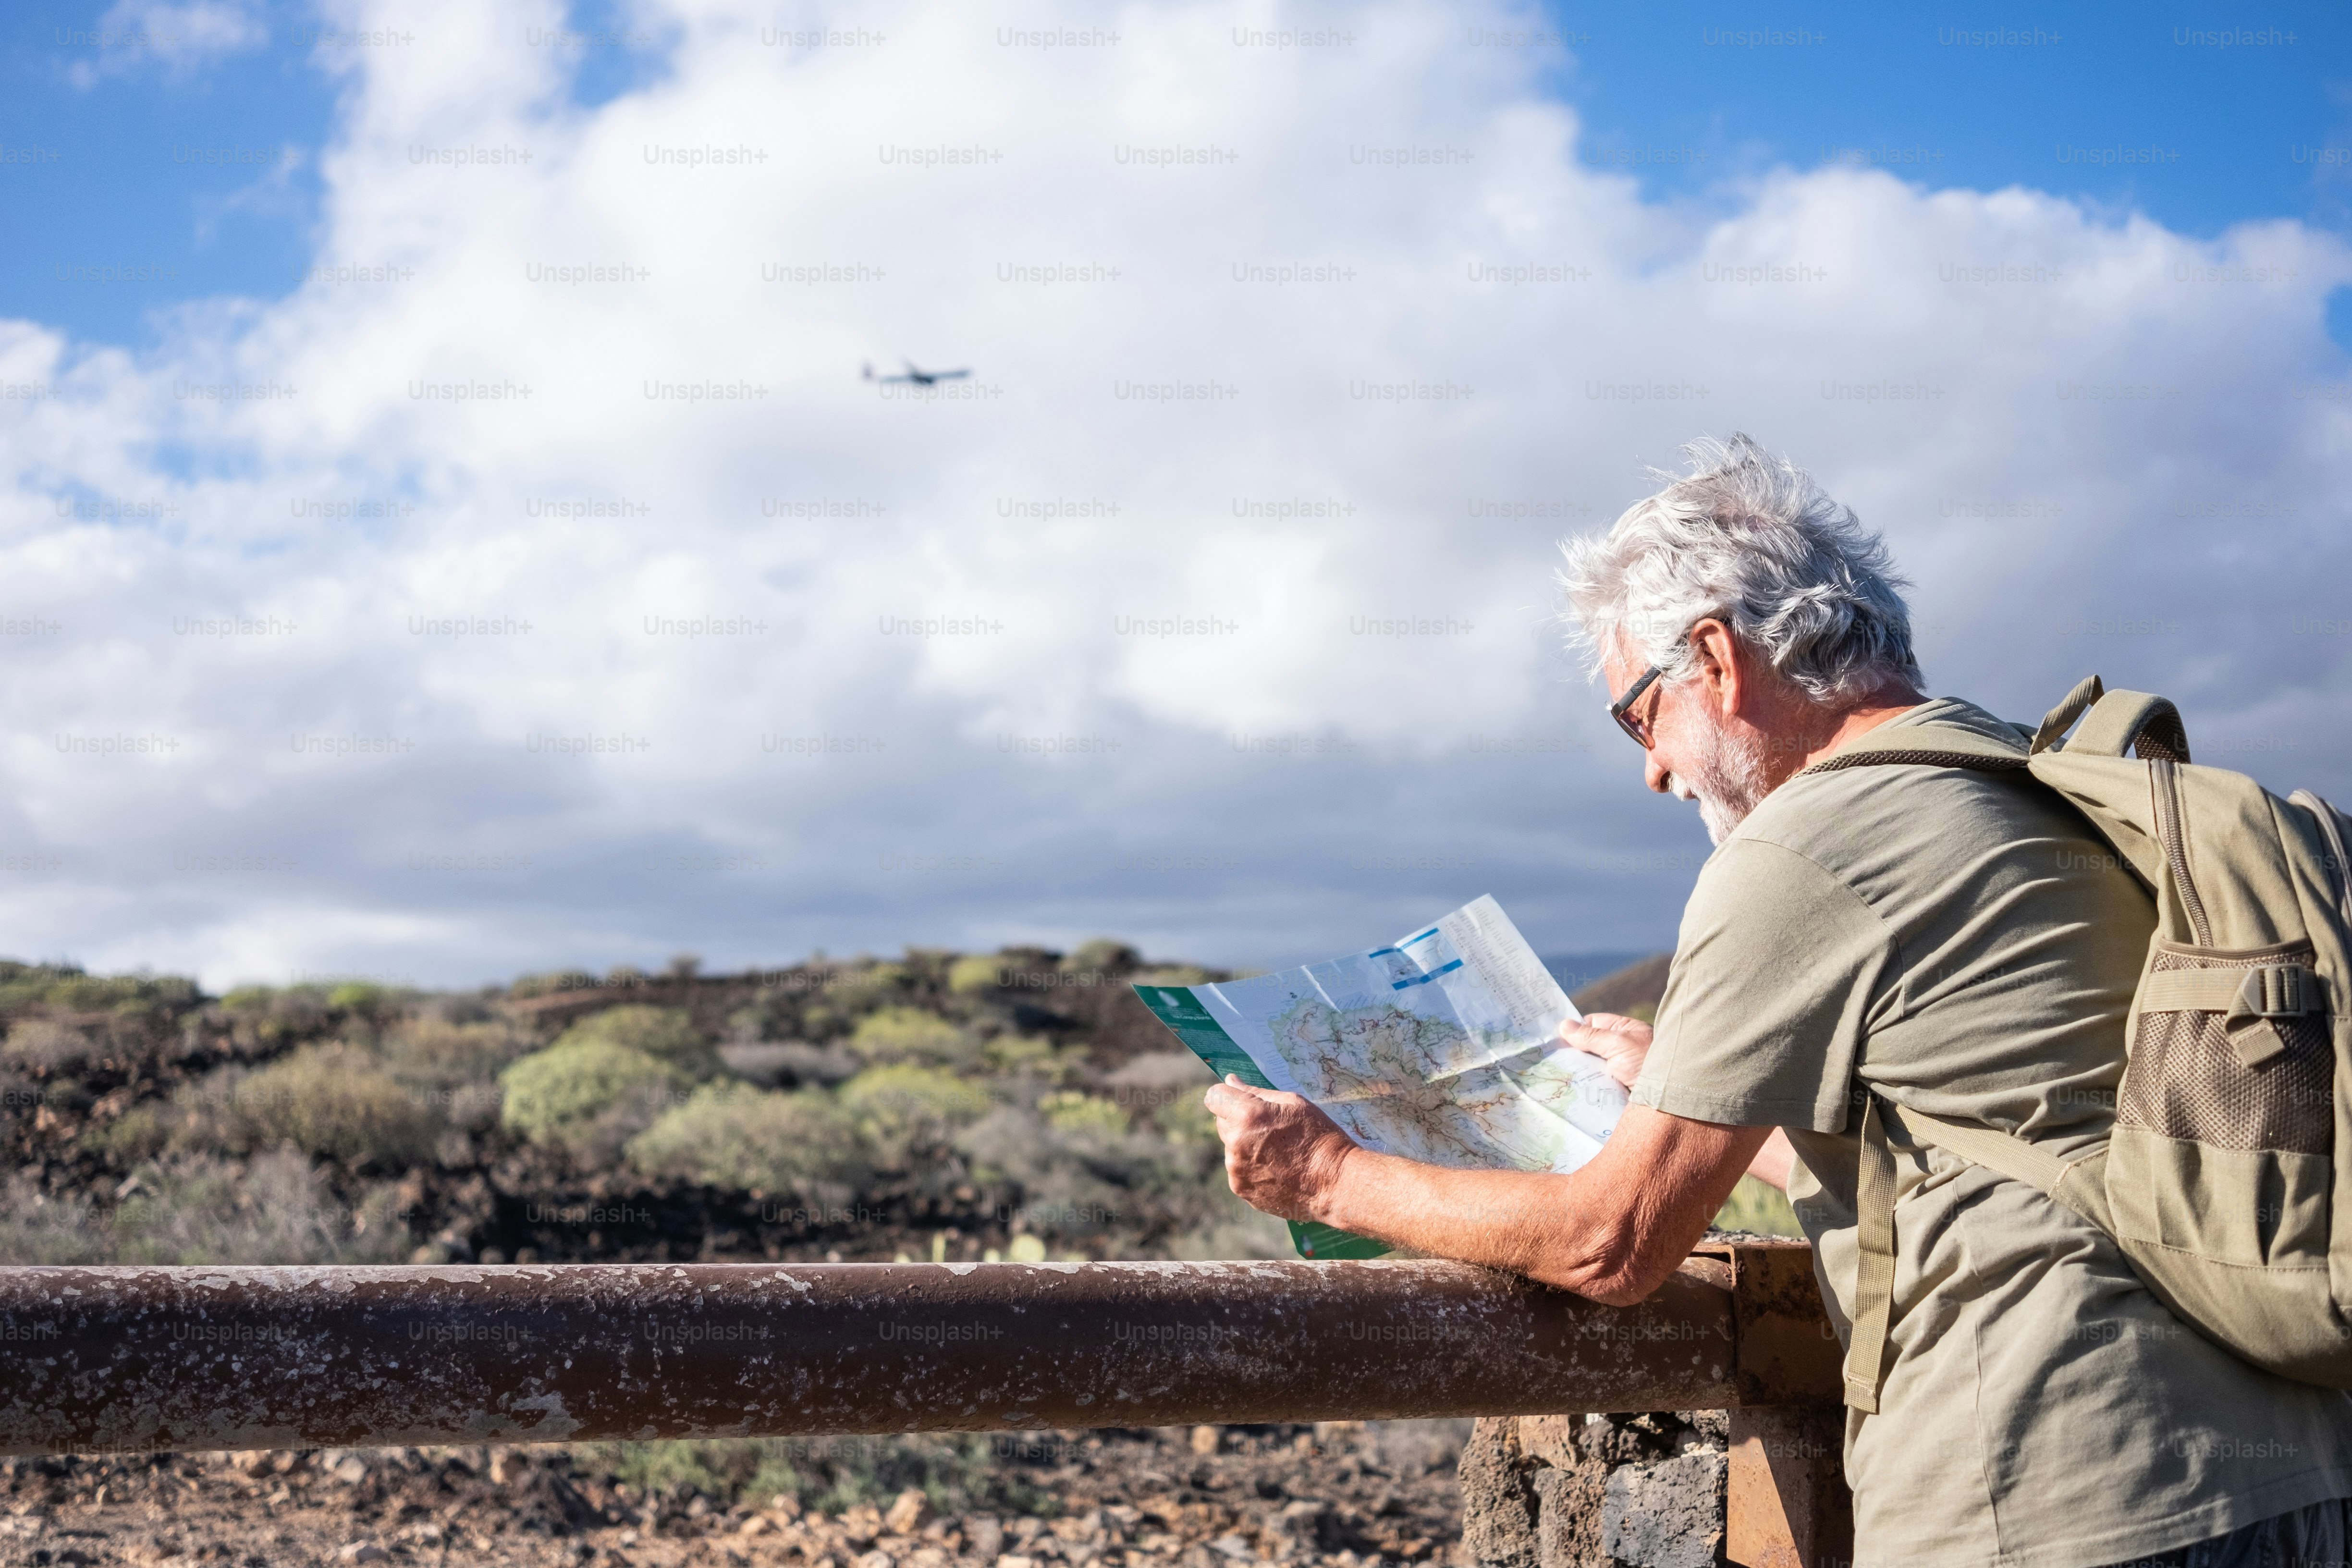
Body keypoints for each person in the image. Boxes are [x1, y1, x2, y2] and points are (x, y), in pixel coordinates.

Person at [1204, 434, 2352, 1568]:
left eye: (1638, 715)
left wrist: (1327, 1176)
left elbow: (1611, 1246)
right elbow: (1996, 1128)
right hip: (2290, 1474)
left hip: (2047, 1491)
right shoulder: (2044, 790)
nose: (1650, 768)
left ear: (1715, 657)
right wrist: (1689, 1089)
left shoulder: (1806, 846)